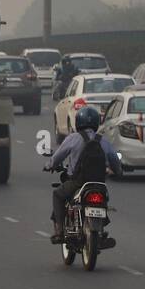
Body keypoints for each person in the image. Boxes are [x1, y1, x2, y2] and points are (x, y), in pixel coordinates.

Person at [46, 105, 120, 245]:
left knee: (57, 194)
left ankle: (60, 231)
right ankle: (101, 231)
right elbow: (114, 160)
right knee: (104, 200)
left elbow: (58, 156)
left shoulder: (73, 138)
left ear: (78, 122)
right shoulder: (103, 140)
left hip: (78, 182)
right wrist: (118, 171)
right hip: (99, 183)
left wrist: (50, 165)